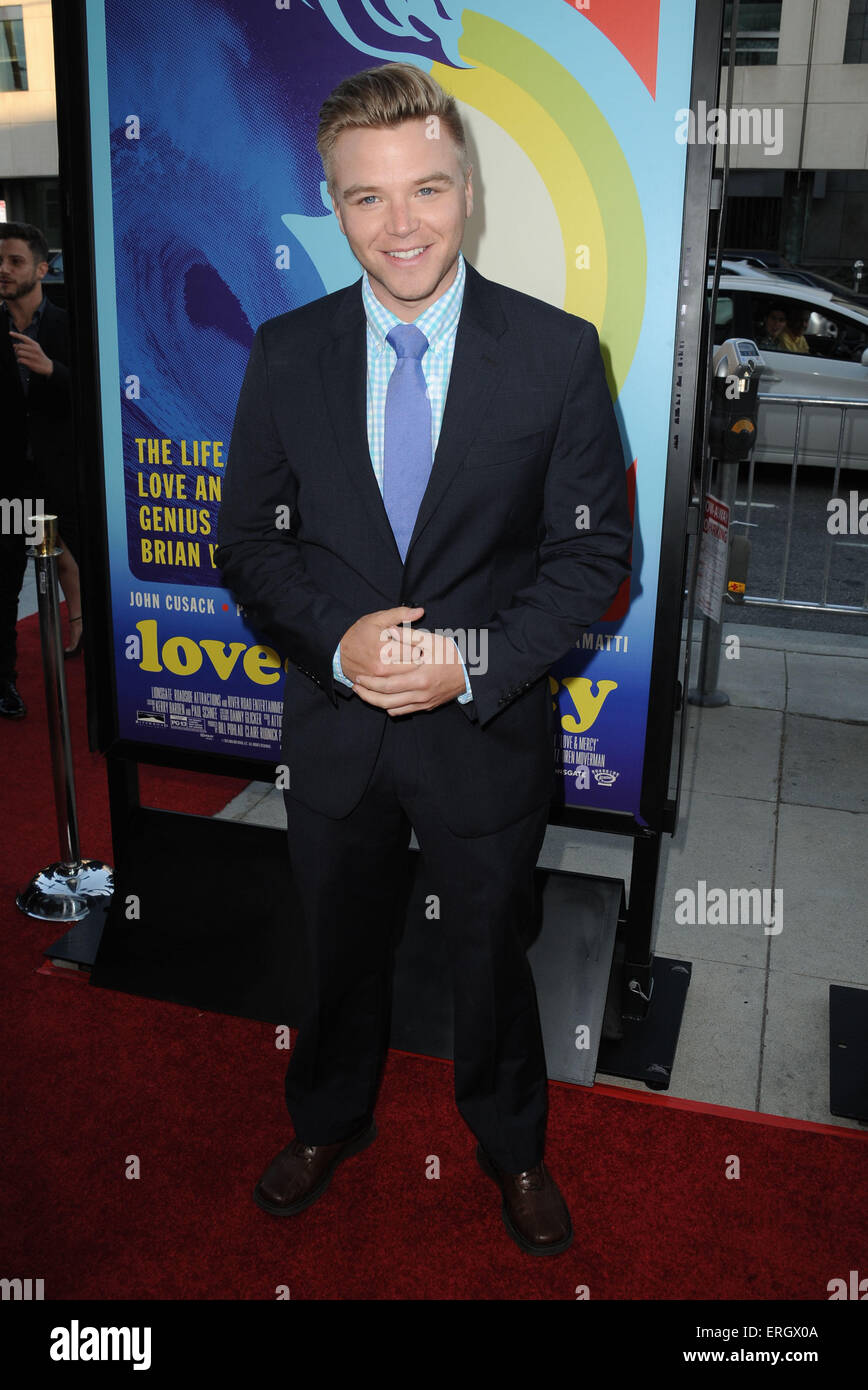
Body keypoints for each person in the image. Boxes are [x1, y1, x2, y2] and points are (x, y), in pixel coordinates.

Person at [215, 64, 632, 1257]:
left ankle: (511, 1146)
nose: (402, 225)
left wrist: (470, 663)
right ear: (333, 204)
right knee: (335, 946)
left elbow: (593, 559)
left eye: (428, 189)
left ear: (469, 189)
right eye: (367, 198)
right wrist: (335, 641)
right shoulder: (285, 351)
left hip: (484, 731)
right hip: (336, 730)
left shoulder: (556, 354)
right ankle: (327, 1118)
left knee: (491, 954)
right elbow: (244, 538)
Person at [0, 223, 81, 720]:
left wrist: (53, 371)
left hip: (66, 478)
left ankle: (93, 646)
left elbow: (100, 398)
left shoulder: (70, 326)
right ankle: (4, 680)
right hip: (12, 485)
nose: (4, 270)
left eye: (14, 261)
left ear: (42, 269)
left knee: (81, 564)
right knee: (6, 578)